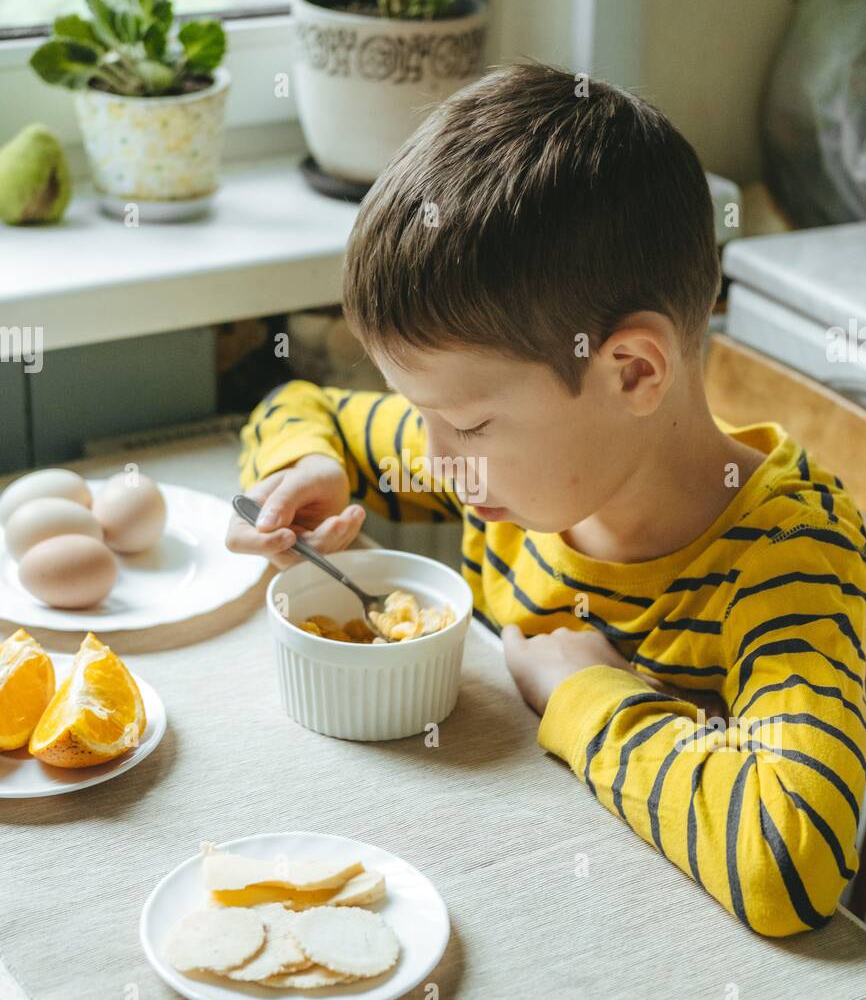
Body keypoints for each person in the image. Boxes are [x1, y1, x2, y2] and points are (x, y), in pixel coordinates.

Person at [227, 63, 866, 938]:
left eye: (469, 424)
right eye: (422, 419)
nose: (435, 462)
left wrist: (585, 692)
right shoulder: (514, 473)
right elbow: (296, 408)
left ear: (633, 372)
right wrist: (309, 467)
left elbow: (787, 865)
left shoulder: (793, 564)